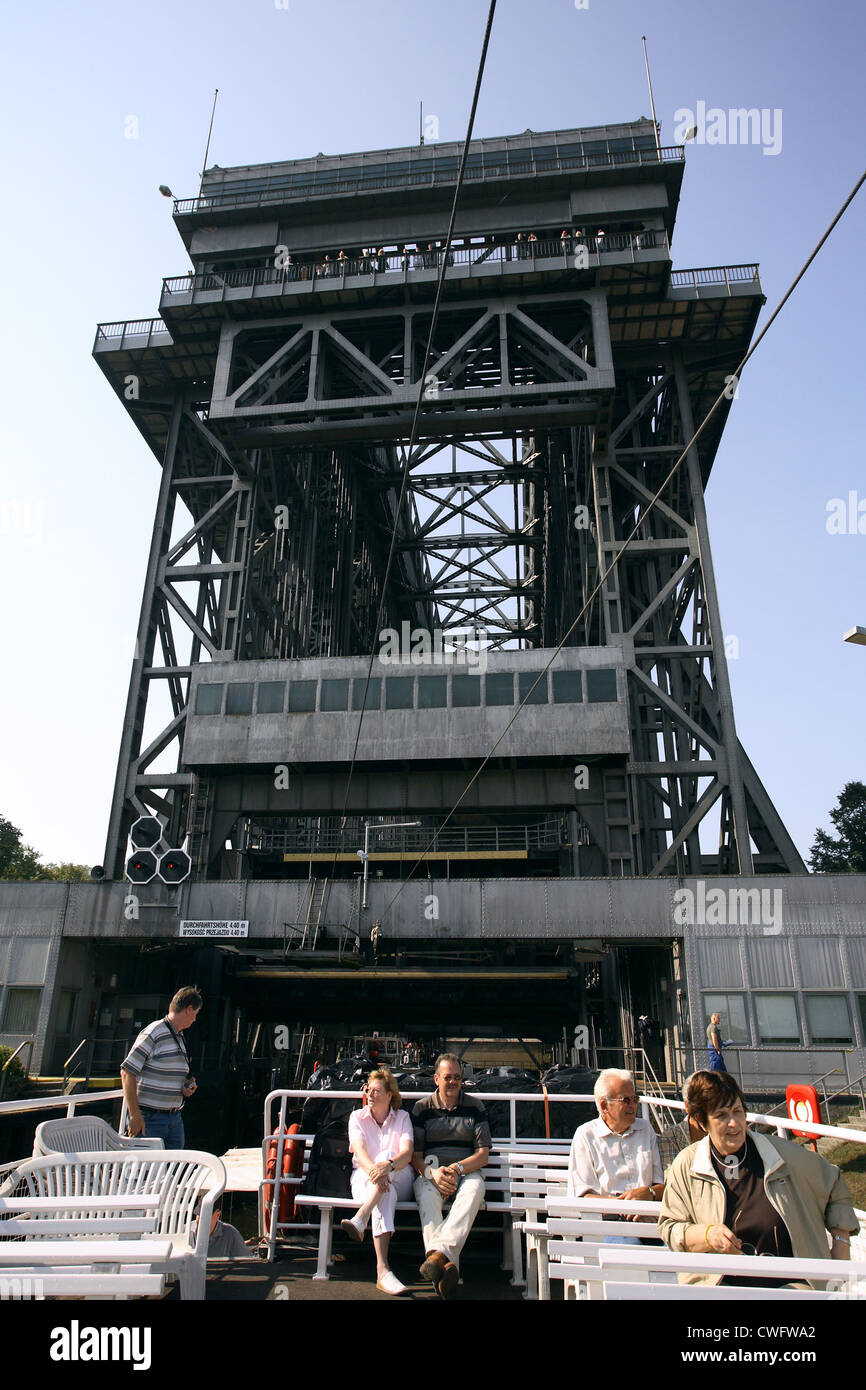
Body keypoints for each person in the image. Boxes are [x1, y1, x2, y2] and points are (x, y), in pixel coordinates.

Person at [659, 1071, 859, 1287]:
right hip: (720, 1285)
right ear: (701, 1121)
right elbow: (670, 1228)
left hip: (790, 1283)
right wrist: (707, 1235)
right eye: (722, 1115)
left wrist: (841, 1245)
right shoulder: (687, 1165)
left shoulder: (782, 1155)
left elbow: (834, 1182)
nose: (734, 1123)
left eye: (737, 1112)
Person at [411, 1053, 490, 1298]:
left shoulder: (475, 1107)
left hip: (465, 1171)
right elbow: (416, 1156)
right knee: (426, 1195)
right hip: (432, 1173)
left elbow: (482, 1155)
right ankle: (446, 1266)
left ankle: (437, 1257)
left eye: (457, 1077)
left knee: (474, 1189)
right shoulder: (422, 1108)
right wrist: (433, 1174)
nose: (454, 1082)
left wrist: (456, 1169)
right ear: (436, 1079)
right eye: (448, 1077)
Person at [340, 1067, 414, 1295]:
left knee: (385, 1165)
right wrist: (377, 1171)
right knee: (384, 1189)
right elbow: (360, 1152)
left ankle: (361, 1217)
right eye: (368, 1090)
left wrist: (387, 1166)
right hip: (365, 1178)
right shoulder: (357, 1118)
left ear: (390, 1094)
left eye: (376, 1091)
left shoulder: (402, 1118)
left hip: (399, 1176)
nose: (370, 1095)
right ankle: (383, 1270)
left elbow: (407, 1154)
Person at [568, 1068, 664, 1219]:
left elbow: (660, 1185)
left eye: (635, 1099)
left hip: (651, 1218)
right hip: (609, 1224)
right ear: (604, 1106)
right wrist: (624, 1205)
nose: (633, 1105)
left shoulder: (646, 1129)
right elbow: (583, 1196)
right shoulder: (586, 1136)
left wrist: (649, 1193)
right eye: (625, 1100)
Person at [120, 986, 201, 1146]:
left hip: (174, 1117)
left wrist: (185, 1086)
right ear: (188, 1009)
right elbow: (127, 1071)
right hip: (150, 1118)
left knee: (175, 1169)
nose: (195, 1019)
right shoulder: (154, 1032)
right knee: (146, 1168)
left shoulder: (179, 1036)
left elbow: (170, 1072)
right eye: (195, 1014)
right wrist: (135, 1115)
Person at [657, 1071, 711, 1173]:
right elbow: (672, 1181)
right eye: (701, 1105)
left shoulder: (726, 1133)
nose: (708, 1111)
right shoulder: (671, 1137)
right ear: (687, 1106)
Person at [194, 1192, 248, 1259]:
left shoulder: (231, 1235)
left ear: (218, 1215)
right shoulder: (185, 1232)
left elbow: (246, 1263)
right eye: (198, 1214)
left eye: (206, 1216)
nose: (200, 1220)